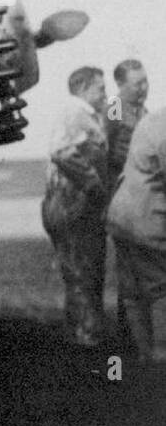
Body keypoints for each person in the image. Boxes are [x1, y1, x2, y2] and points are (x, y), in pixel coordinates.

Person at [40, 66, 110, 347]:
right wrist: (93, 183)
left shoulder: (88, 115)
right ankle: (85, 336)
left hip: (80, 204)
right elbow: (60, 151)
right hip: (71, 203)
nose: (105, 94)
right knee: (81, 270)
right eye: (100, 88)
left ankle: (85, 332)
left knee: (85, 269)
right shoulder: (74, 113)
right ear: (82, 88)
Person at [107, 108, 166, 363]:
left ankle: (145, 356)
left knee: (132, 292)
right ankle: (162, 355)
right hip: (147, 219)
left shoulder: (152, 118)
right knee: (161, 289)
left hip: (122, 215)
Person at [107, 59, 149, 180]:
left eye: (145, 81)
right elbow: (107, 148)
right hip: (122, 181)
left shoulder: (142, 109)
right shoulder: (114, 107)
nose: (144, 87)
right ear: (121, 84)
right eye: (138, 84)